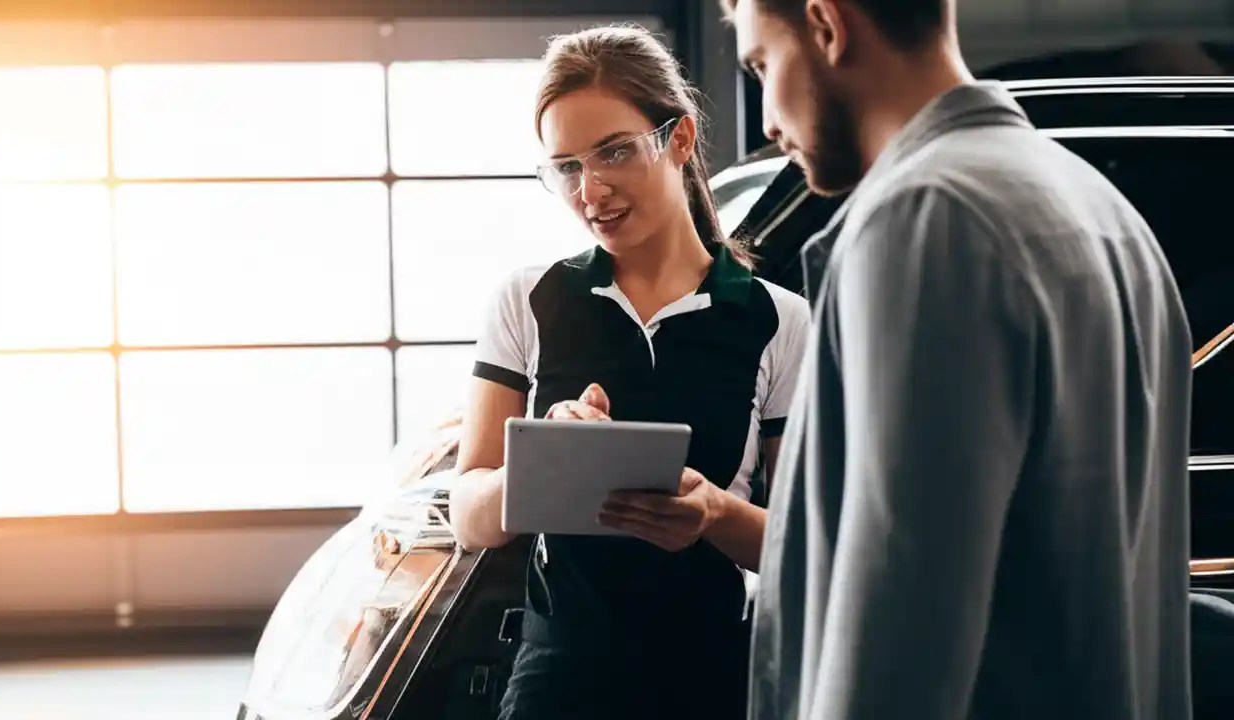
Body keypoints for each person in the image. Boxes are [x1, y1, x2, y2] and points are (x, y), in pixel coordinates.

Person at [723, 1, 1194, 718]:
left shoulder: (925, 219)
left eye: (763, 64)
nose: (766, 118)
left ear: (827, 24)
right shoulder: (1106, 212)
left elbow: (897, 638)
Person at [446, 25, 811, 720]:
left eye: (614, 151)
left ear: (678, 139)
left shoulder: (778, 319)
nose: (592, 190)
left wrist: (713, 512)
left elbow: (803, 547)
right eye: (567, 167)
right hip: (558, 676)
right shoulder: (528, 300)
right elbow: (470, 517)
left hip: (712, 676)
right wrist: (541, 459)